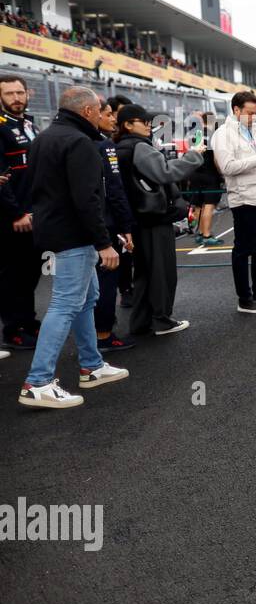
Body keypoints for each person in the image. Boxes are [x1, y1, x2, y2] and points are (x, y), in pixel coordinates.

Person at [17, 87, 128, 408]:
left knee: (87, 298)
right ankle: (37, 382)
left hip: (56, 229)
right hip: (74, 234)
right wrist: (104, 242)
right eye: (99, 109)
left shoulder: (44, 137)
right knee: (66, 303)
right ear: (89, 112)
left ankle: (91, 366)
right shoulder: (80, 142)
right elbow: (87, 198)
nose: (102, 114)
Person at [114, 104, 205, 336]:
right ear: (127, 124)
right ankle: (161, 320)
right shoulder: (140, 147)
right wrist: (195, 155)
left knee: (144, 273)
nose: (148, 125)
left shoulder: (119, 147)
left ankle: (141, 322)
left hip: (135, 219)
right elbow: (166, 172)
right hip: (154, 218)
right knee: (162, 272)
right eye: (142, 121)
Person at [213, 91, 256, 314]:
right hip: (242, 199)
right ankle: (244, 298)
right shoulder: (223, 134)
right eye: (250, 113)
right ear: (236, 110)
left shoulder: (252, 131)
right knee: (244, 249)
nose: (254, 117)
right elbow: (227, 167)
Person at [0, 74, 43, 351]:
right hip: (12, 217)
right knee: (12, 275)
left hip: (35, 212)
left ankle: (28, 320)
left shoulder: (30, 124)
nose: (16, 98)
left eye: (20, 92)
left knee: (30, 271)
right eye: (9, 94)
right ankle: (13, 328)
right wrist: (16, 213)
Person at [92, 99, 136, 351]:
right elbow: (115, 189)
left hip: (77, 226)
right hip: (104, 224)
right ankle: (104, 335)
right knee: (106, 280)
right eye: (108, 115)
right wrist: (125, 225)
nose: (113, 120)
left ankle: (93, 336)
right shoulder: (105, 145)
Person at [183, 111, 223, 247]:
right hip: (209, 173)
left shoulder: (195, 134)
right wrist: (222, 173)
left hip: (195, 174)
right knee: (209, 205)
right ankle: (206, 234)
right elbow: (216, 158)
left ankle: (200, 234)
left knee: (199, 205)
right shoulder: (214, 135)